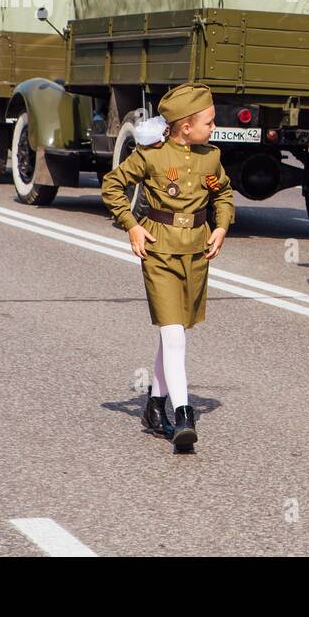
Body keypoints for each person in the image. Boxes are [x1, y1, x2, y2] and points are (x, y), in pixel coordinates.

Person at [101, 83, 235, 450]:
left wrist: (221, 226)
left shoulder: (210, 157)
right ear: (185, 126)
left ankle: (154, 406)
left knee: (174, 331)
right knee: (174, 334)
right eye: (209, 122)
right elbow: (113, 185)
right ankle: (184, 415)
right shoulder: (152, 157)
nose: (214, 127)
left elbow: (222, 192)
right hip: (159, 250)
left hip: (195, 251)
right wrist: (132, 227)